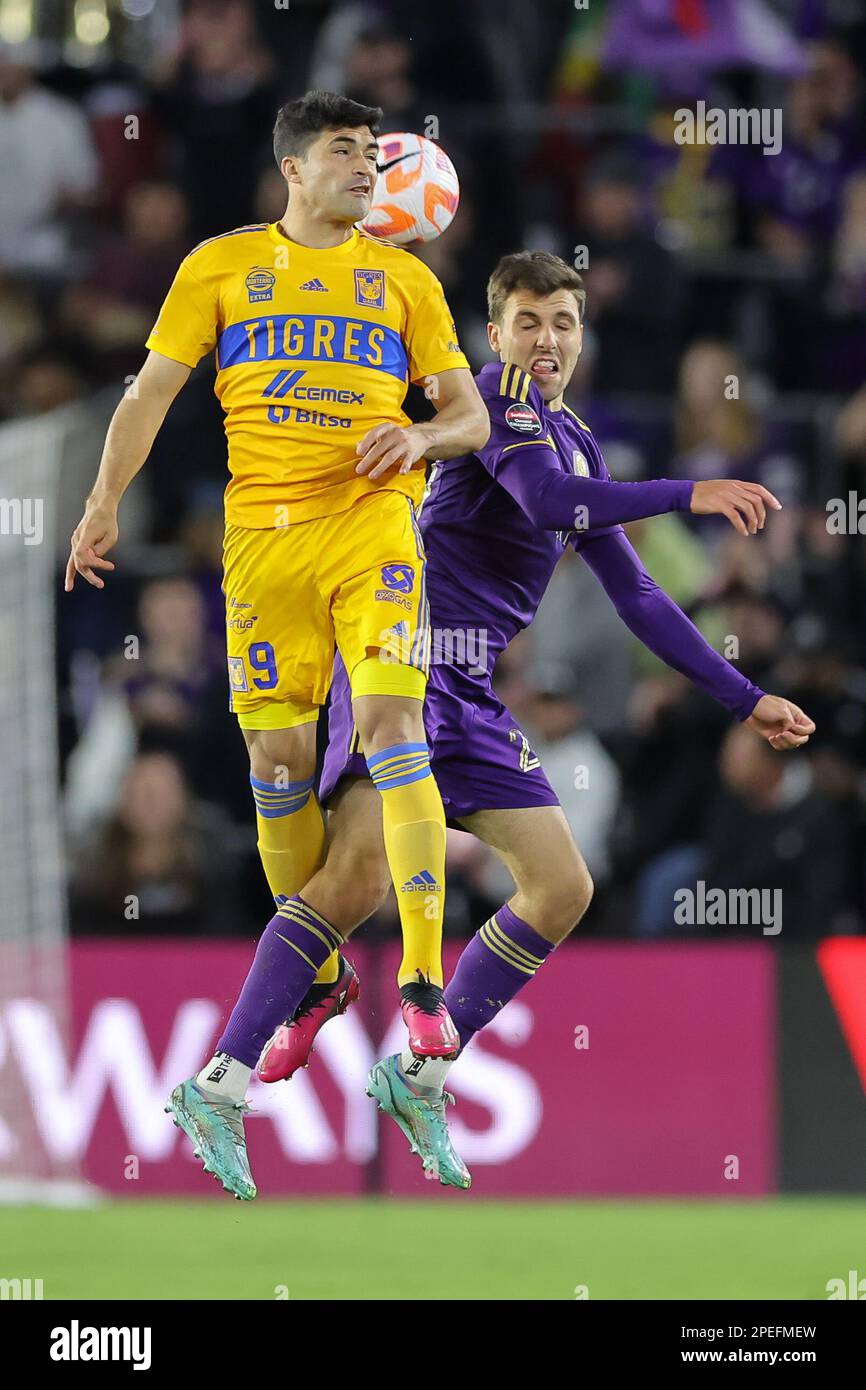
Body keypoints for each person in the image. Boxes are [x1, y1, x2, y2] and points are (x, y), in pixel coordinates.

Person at [255, 251, 815, 1191]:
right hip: (407, 663)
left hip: (472, 691)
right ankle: (243, 1056)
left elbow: (639, 599)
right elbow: (549, 505)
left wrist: (743, 696)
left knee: (560, 885)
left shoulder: (578, 442)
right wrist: (691, 490)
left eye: (561, 321)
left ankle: (419, 1071)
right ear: (495, 334)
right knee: (351, 884)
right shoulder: (490, 401)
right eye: (526, 321)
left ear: (582, 335)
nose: (544, 340)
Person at [65, 91, 489, 1200]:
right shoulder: (219, 265)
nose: (367, 168)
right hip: (260, 549)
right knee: (276, 770)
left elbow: (469, 418)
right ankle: (315, 979)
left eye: (372, 152)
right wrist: (105, 501)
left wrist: (422, 432)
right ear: (292, 169)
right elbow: (151, 389)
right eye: (344, 153)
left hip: (372, 530)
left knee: (396, 724)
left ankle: (429, 992)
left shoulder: (406, 280)